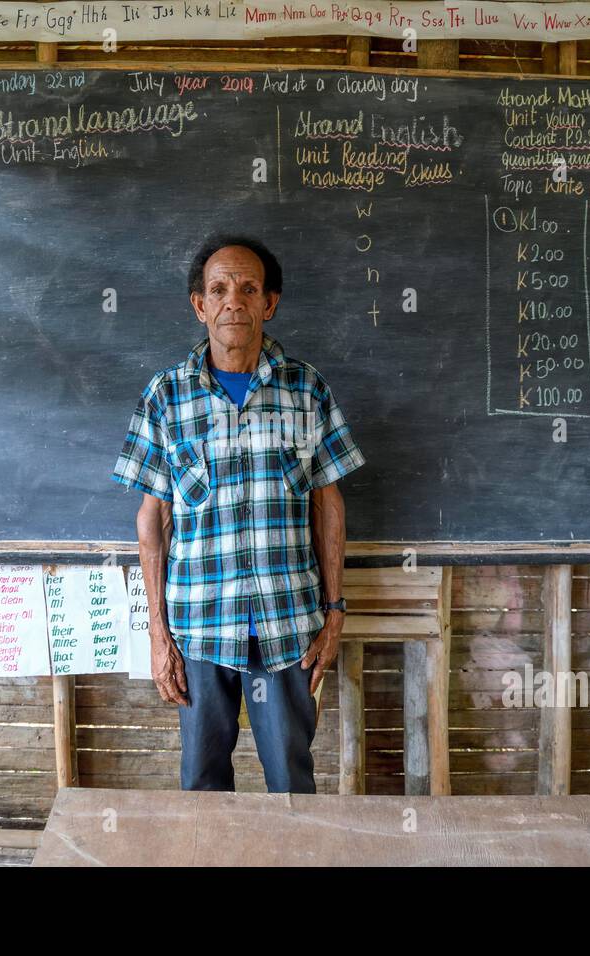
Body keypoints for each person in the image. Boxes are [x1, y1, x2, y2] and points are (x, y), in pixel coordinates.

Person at [112, 235, 365, 793]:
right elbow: (150, 521)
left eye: (249, 289)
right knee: (202, 782)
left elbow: (329, 504)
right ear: (200, 305)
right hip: (198, 626)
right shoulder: (167, 396)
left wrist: (335, 610)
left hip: (288, 623)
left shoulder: (307, 391)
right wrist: (158, 634)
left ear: (269, 303)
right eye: (219, 289)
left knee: (292, 781)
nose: (234, 301)